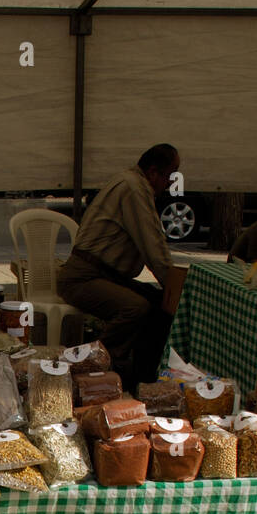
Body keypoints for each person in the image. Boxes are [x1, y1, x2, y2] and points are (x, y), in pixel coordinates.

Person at [56, 144, 179, 389]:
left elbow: (153, 246)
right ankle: (90, 365)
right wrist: (175, 289)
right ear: (153, 172)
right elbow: (153, 246)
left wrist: (170, 290)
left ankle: (140, 374)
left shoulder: (131, 183)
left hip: (104, 275)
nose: (169, 183)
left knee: (156, 303)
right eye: (169, 176)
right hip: (82, 277)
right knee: (136, 307)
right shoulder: (134, 188)